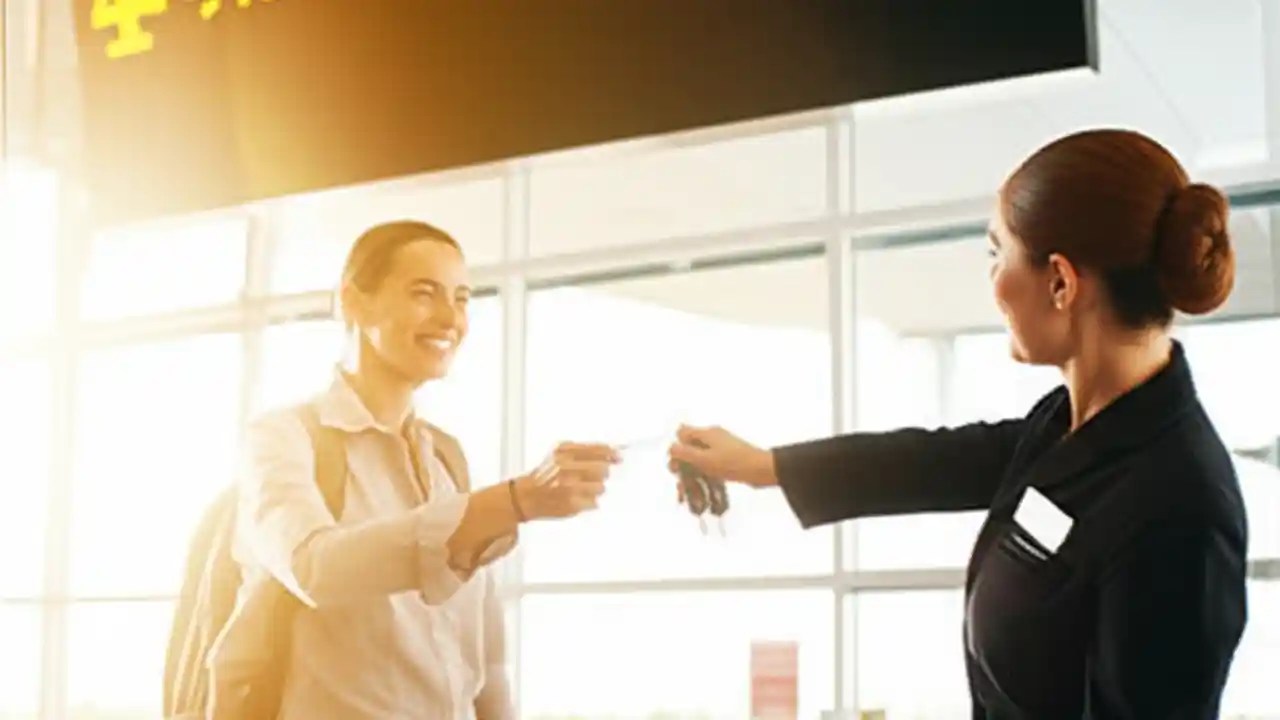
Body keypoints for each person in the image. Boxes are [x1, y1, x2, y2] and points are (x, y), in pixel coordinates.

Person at [668, 129, 1248, 719]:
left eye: (997, 254)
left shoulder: (1181, 509)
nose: (993, 285)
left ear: (1060, 283)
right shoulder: (1068, 423)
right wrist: (763, 467)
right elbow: (938, 461)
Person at [233, 220, 618, 719]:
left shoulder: (446, 457)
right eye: (424, 293)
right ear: (352, 301)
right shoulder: (282, 436)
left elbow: (487, 659)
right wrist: (513, 502)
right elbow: (314, 568)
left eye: (461, 299)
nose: (449, 319)